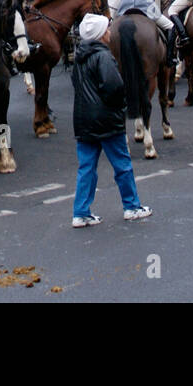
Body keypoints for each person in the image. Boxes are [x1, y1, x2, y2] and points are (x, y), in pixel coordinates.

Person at [69, 13, 151, 227]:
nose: (109, 33)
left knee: (86, 168)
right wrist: (120, 107)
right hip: (106, 118)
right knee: (122, 165)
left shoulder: (79, 58)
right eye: (105, 29)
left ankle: (80, 212)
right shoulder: (104, 56)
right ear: (99, 34)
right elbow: (114, 87)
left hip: (83, 118)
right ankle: (131, 206)